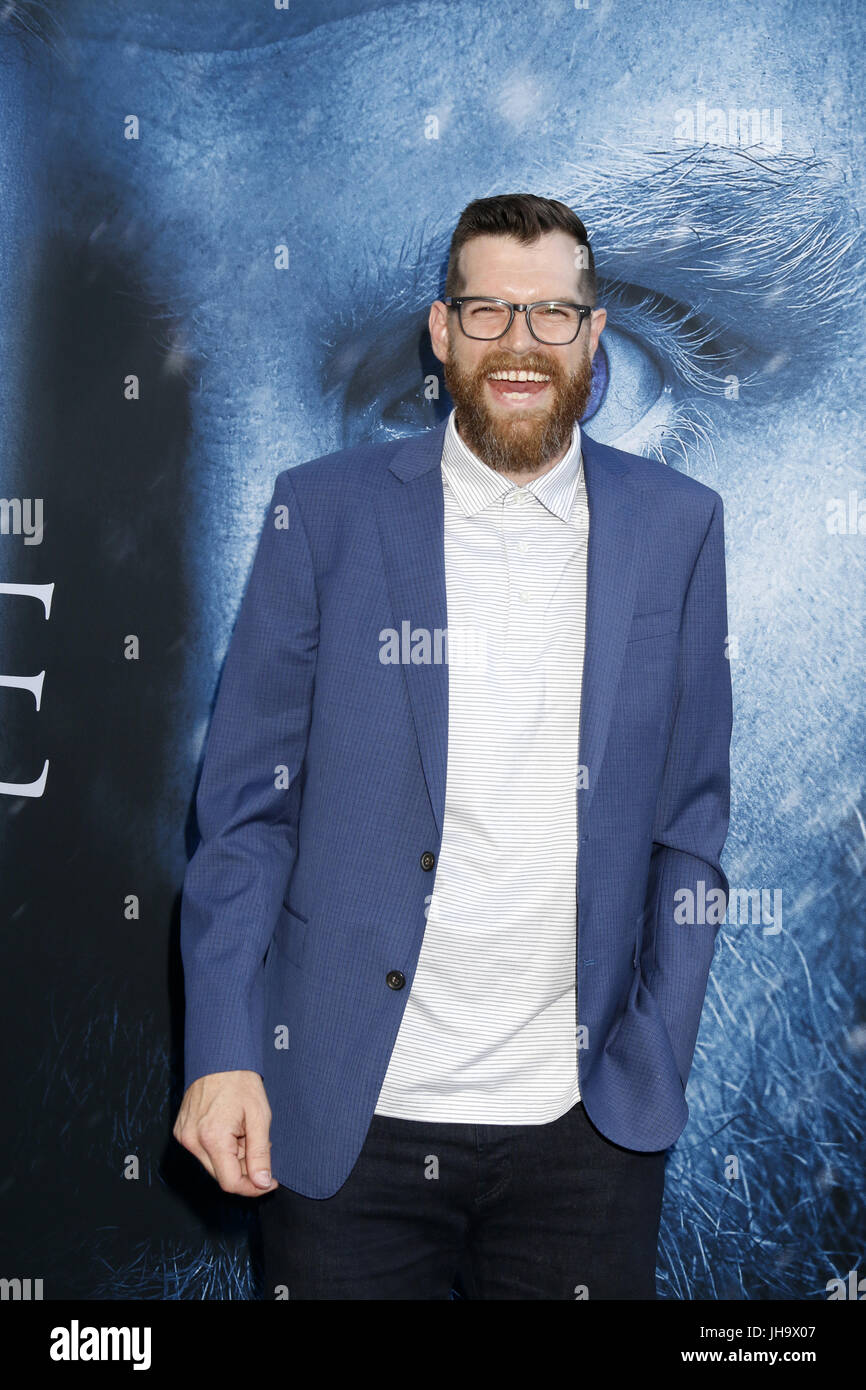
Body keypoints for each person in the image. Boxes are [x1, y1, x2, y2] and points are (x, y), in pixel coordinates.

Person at [173, 194, 733, 1300]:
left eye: (549, 314)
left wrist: (650, 1055)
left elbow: (689, 828)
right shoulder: (320, 515)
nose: (518, 344)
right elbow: (245, 815)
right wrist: (223, 1049)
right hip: (344, 1123)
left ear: (593, 336)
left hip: (583, 1137)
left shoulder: (679, 526)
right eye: (486, 312)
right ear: (439, 332)